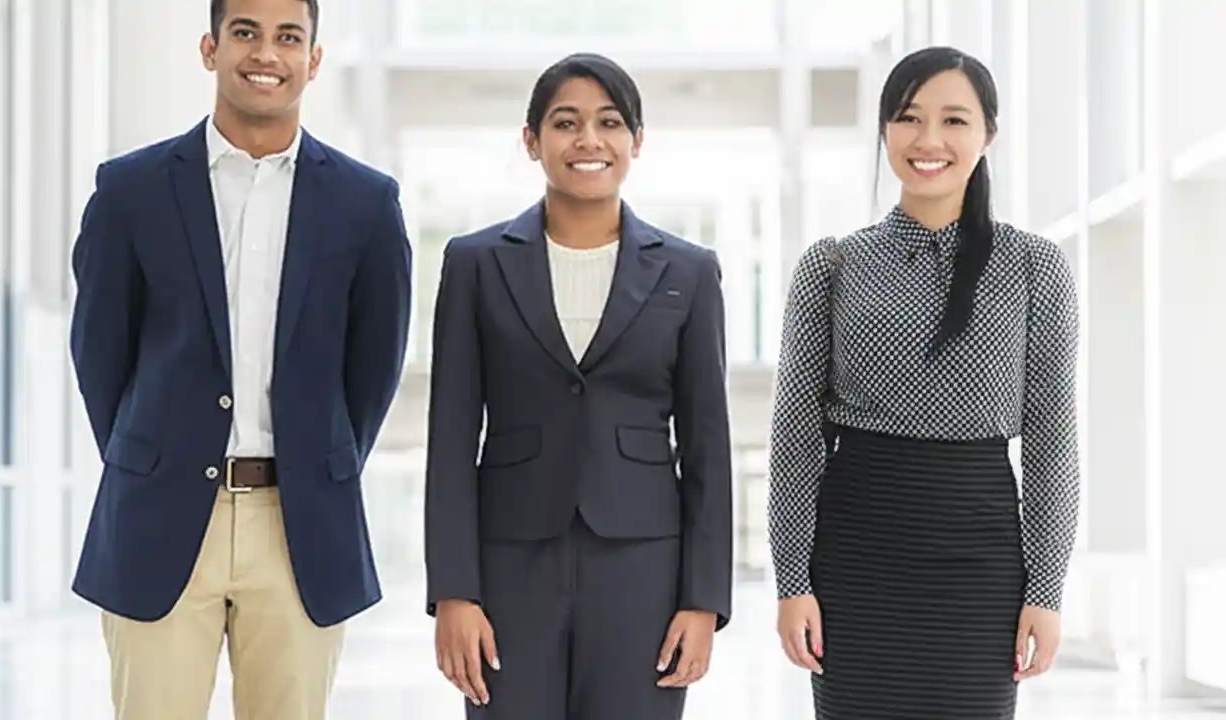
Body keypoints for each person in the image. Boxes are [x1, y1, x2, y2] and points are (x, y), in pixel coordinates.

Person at [68, 0, 412, 717]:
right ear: (210, 47)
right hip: (158, 516)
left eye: (289, 38)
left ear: (313, 60)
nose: (267, 54)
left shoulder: (366, 204)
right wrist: (153, 457)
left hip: (299, 526)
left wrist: (319, 460)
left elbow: (373, 368)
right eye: (245, 33)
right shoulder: (131, 191)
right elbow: (99, 353)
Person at [767, 46, 1080, 719]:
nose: (929, 140)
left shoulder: (1035, 268)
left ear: (987, 135)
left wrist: (1046, 590)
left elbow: (1053, 444)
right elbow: (795, 440)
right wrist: (792, 579)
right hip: (856, 558)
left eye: (955, 121)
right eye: (908, 118)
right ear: (884, 131)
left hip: (982, 561)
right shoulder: (833, 266)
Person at [423, 52, 733, 720]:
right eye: (566, 123)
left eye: (610, 123)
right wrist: (454, 593)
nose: (588, 141)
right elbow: (449, 439)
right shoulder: (474, 263)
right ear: (532, 140)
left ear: (636, 142)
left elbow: (708, 445)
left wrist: (703, 600)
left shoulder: (689, 271)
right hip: (509, 566)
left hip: (644, 569)